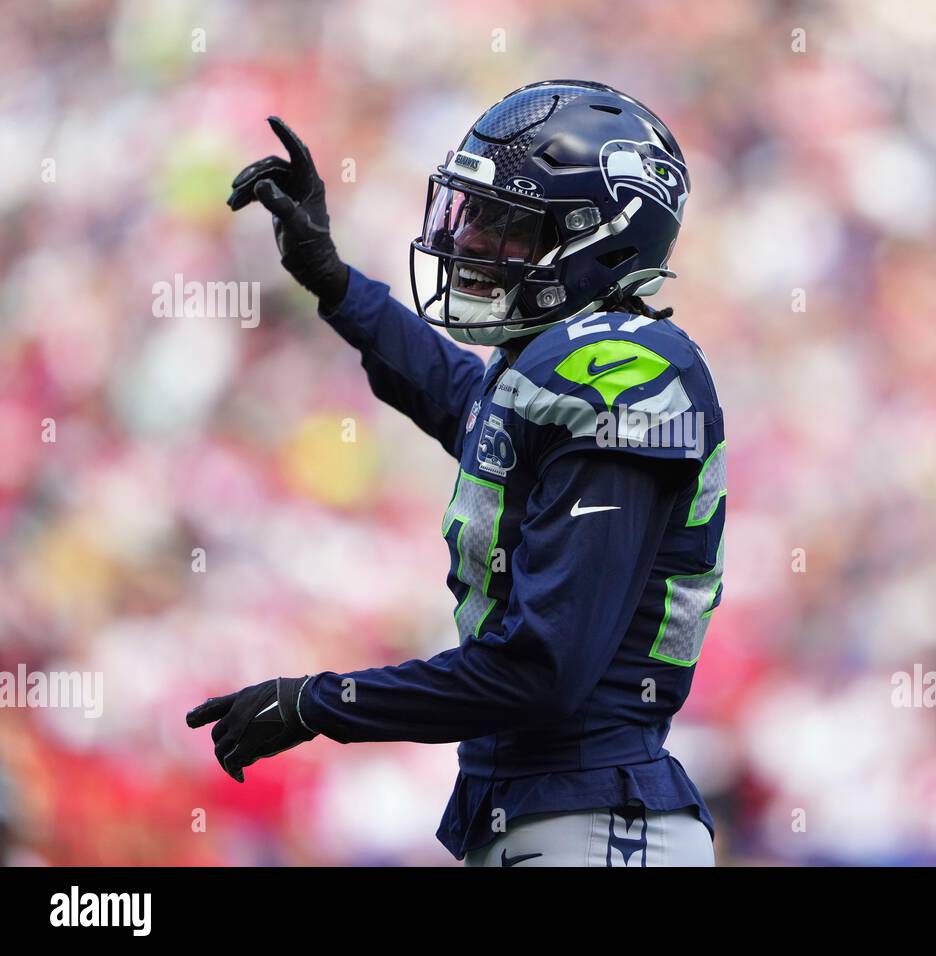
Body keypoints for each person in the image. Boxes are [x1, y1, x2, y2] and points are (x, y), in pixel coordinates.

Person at [187, 80, 726, 867]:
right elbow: (466, 403)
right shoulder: (551, 365)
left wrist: (319, 705)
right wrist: (334, 280)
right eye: (471, 213)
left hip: (597, 819)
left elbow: (544, 671)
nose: (470, 241)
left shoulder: (621, 371)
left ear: (597, 235)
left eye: (503, 223)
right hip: (544, 813)